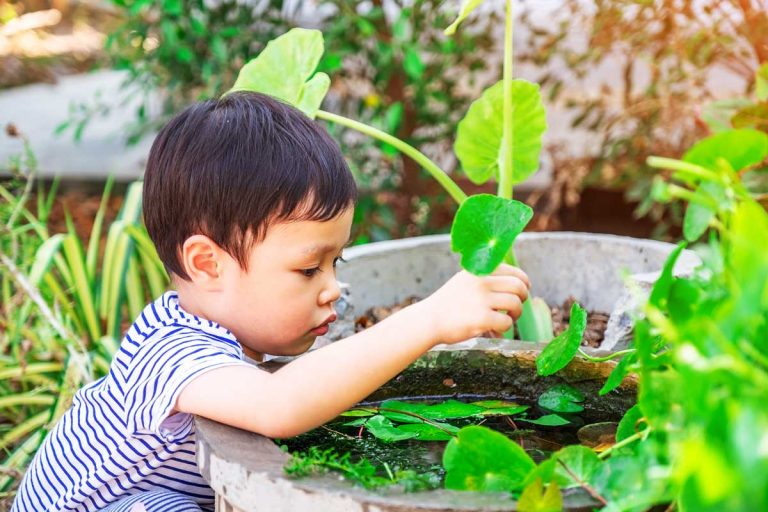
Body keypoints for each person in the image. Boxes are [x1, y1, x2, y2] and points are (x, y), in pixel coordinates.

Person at [11, 92, 530, 512]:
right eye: (308, 269)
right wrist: (431, 318)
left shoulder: (218, 328)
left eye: (336, 262)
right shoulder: (172, 350)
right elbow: (279, 407)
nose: (333, 287)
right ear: (208, 264)